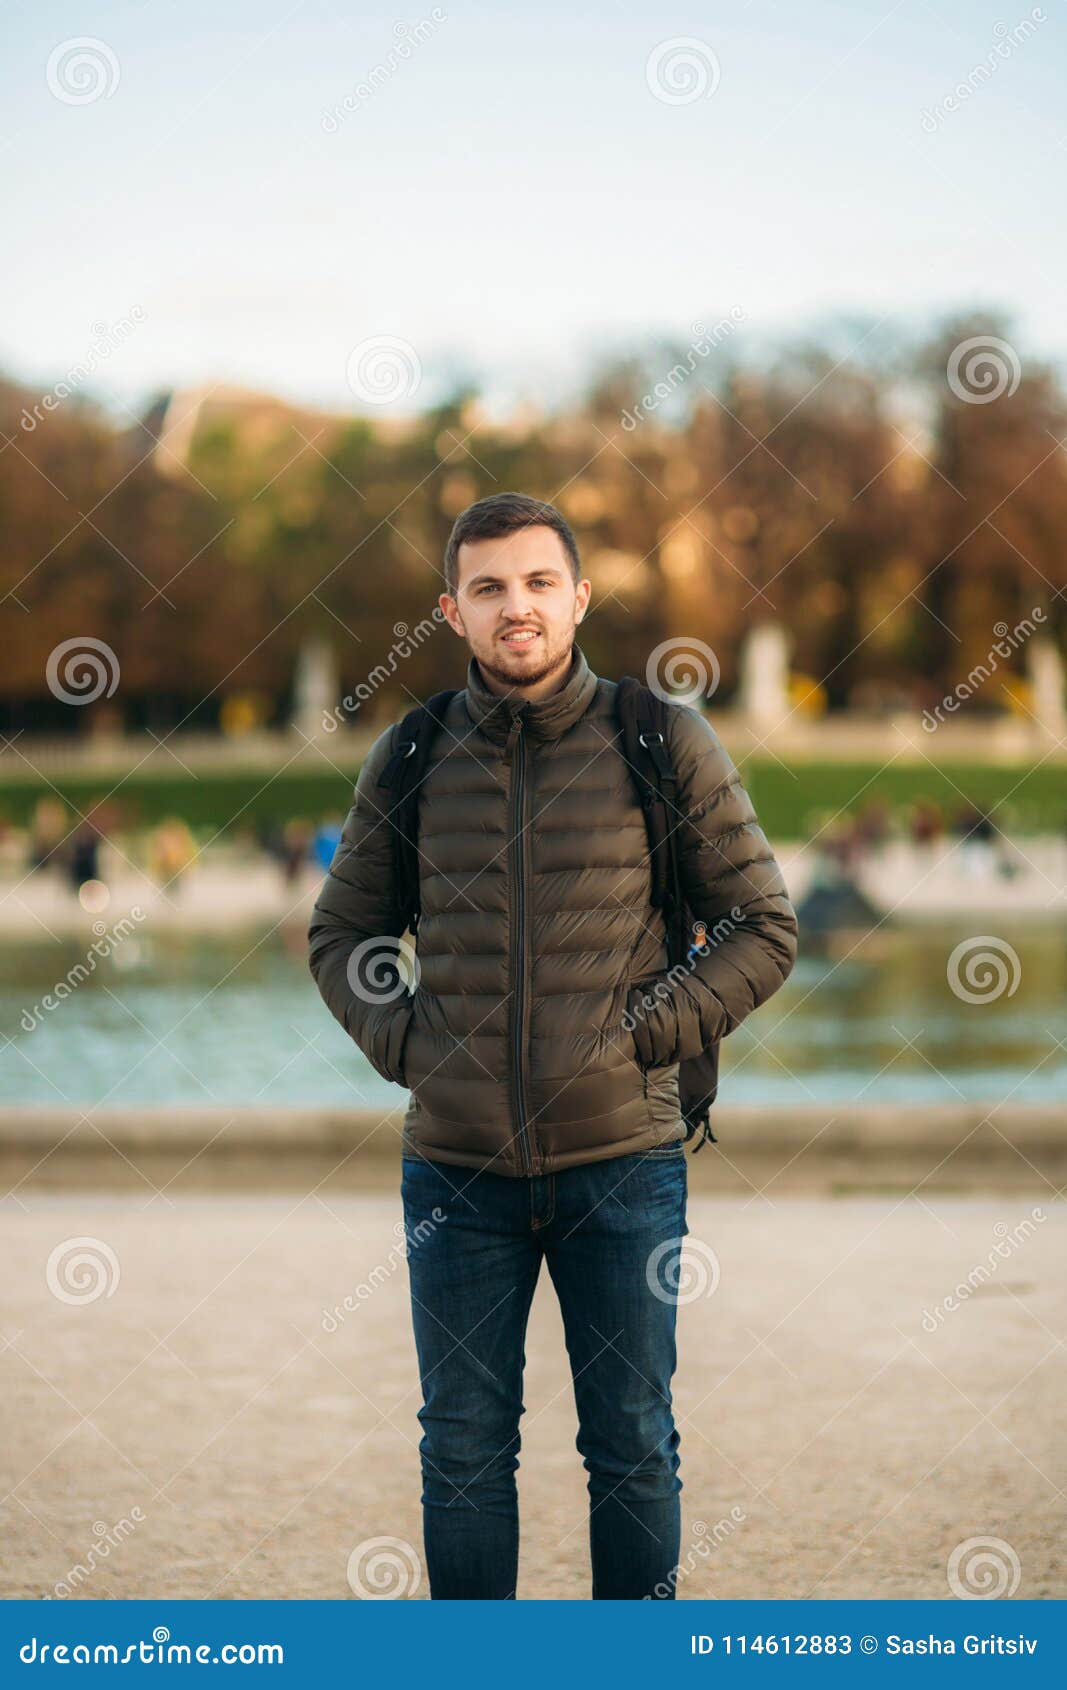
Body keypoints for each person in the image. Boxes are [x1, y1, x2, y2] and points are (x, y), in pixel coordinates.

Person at [307, 492, 797, 1600]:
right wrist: (411, 1048)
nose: (513, 606)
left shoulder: (657, 735)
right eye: (486, 588)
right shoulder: (412, 751)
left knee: (631, 1446)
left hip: (622, 1162)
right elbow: (343, 935)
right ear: (452, 610)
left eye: (536, 583)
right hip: (455, 1168)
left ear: (577, 598)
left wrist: (642, 1039)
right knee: (462, 1452)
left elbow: (763, 926)